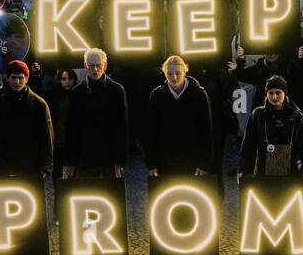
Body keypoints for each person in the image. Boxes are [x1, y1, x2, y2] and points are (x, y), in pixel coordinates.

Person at [144, 54, 214, 183]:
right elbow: (151, 131)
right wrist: (152, 163)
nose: (174, 78)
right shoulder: (157, 95)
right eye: (169, 74)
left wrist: (205, 163)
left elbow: (206, 130)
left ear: (185, 71)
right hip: (165, 161)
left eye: (177, 73)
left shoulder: (199, 94)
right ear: (164, 74)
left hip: (192, 160)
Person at [61, 48, 129, 180]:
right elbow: (71, 129)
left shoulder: (117, 90)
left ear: (105, 66)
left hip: (109, 157)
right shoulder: (76, 92)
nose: (95, 69)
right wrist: (70, 161)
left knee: (112, 197)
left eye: (99, 65)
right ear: (85, 66)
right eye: (91, 66)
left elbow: (123, 127)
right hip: (85, 157)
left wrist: (119, 161)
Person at [0, 60, 54, 181]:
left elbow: (47, 138)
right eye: (14, 77)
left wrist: (45, 167)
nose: (17, 82)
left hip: (31, 166)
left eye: (20, 78)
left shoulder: (39, 104)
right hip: (4, 165)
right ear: (8, 78)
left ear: (27, 78)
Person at [237, 75, 303, 180]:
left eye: (278, 93)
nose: (274, 97)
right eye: (271, 93)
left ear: (285, 94)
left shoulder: (296, 116)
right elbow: (248, 143)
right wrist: (242, 168)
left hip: (290, 170)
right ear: (266, 94)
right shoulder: (258, 114)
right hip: (263, 170)